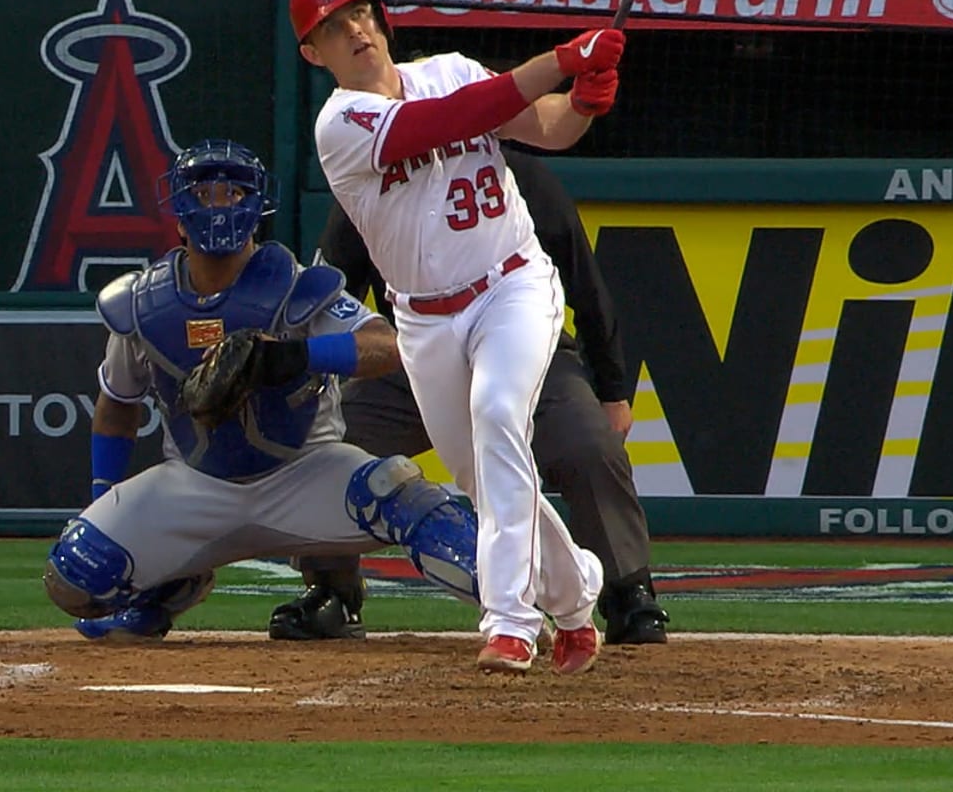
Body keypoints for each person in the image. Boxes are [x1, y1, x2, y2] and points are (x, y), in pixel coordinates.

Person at [42, 139, 598, 674]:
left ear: (256, 203)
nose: (219, 205)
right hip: (196, 482)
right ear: (179, 206)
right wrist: (100, 500)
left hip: (307, 474)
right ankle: (171, 585)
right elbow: (117, 407)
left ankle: (518, 607)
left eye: (232, 192)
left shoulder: (295, 286)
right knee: (76, 573)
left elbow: (385, 345)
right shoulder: (142, 303)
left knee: (406, 502)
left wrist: (295, 355)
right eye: (205, 192)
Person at [289, 0, 626, 673]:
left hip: (512, 287)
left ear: (379, 20)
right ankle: (575, 595)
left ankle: (509, 621)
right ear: (312, 53)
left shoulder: (449, 69)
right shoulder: (340, 124)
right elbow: (449, 121)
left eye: (359, 14)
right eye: (331, 27)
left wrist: (587, 99)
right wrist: (563, 59)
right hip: (423, 322)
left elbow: (549, 129)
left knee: (500, 413)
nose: (354, 29)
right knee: (485, 477)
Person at [269, 146, 670, 647]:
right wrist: (300, 368)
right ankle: (331, 588)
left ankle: (626, 588)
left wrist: (612, 392)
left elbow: (583, 283)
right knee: (330, 445)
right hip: (414, 356)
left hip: (526, 349)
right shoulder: (369, 185)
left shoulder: (517, 172)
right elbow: (330, 293)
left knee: (588, 444)